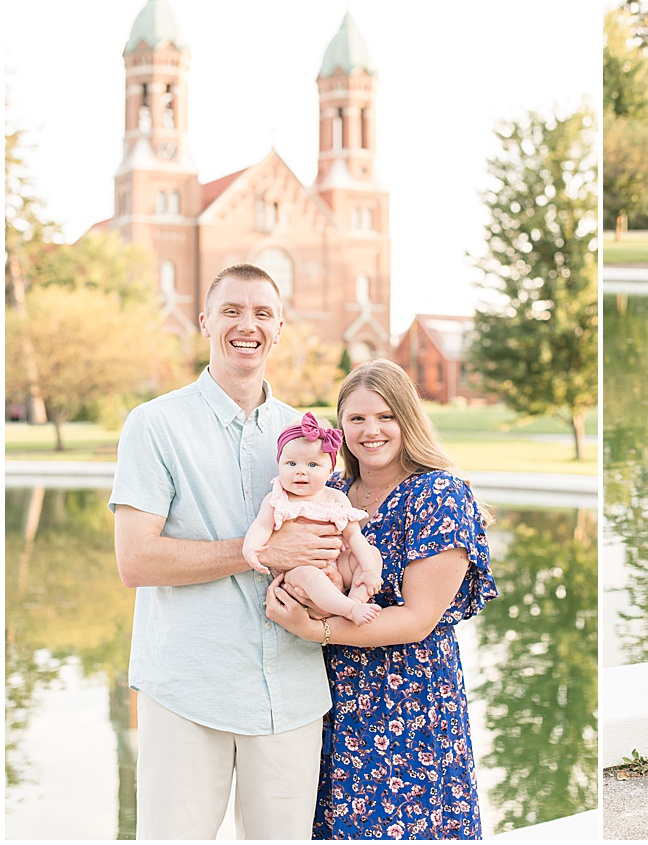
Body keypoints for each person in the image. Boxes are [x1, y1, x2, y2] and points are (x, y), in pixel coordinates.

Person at [111, 264, 345, 839]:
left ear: (280, 327)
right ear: (204, 323)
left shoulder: (307, 436)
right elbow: (136, 561)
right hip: (189, 689)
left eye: (262, 313)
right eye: (232, 311)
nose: (248, 325)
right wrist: (261, 550)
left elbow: (329, 543)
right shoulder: (155, 425)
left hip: (290, 696)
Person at [265, 357, 498, 840]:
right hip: (328, 701)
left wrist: (317, 629)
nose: (371, 430)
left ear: (407, 419)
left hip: (408, 705)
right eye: (357, 418)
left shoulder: (439, 495)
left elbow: (417, 620)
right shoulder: (329, 490)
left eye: (385, 416)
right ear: (341, 429)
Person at [242, 412, 384, 626]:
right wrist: (250, 548)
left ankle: (354, 599)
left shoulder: (336, 498)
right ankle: (349, 609)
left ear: (330, 470)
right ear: (279, 463)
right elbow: (261, 525)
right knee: (310, 576)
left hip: (335, 564)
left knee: (370, 555)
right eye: (291, 464)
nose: (300, 472)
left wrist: (370, 571)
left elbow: (354, 536)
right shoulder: (278, 498)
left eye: (312, 465)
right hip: (297, 570)